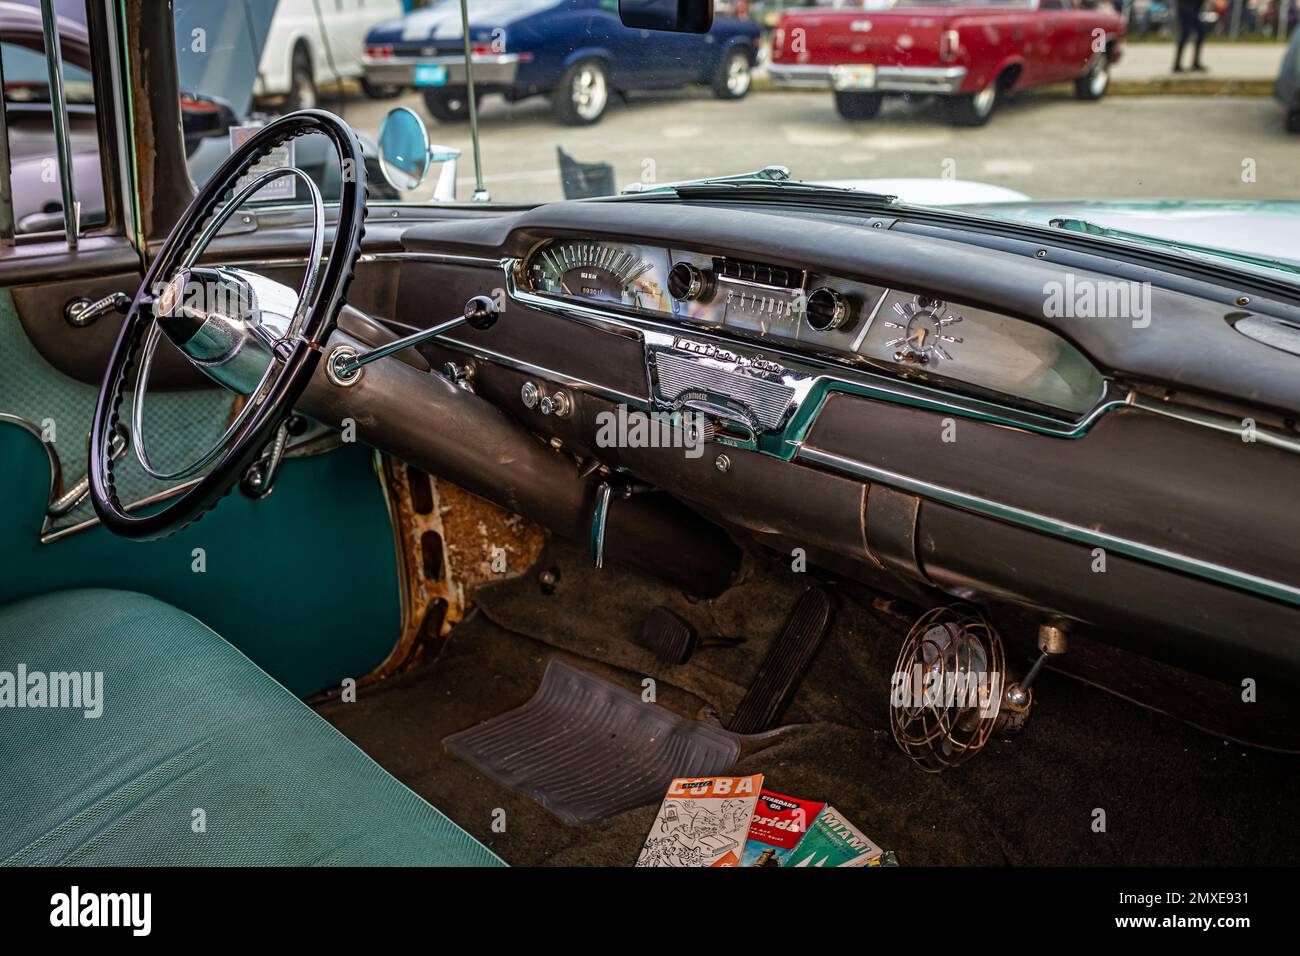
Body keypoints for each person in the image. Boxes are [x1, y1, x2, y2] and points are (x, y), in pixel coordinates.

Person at [1174, 0, 1209, 72]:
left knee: (1200, 33)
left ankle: (1195, 63)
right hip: (1186, 8)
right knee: (1185, 35)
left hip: (1193, 9)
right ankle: (1177, 65)